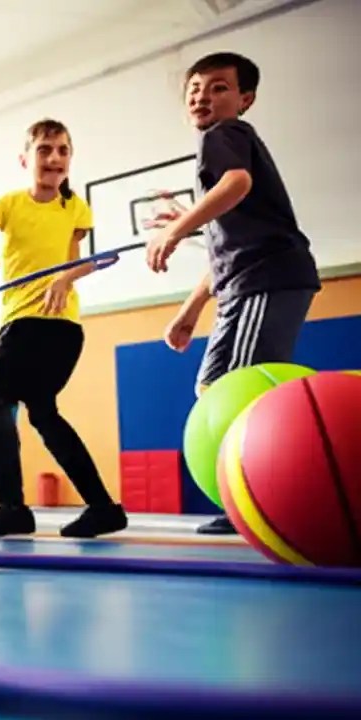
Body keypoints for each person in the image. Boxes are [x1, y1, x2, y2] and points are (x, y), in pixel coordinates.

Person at [144, 52, 319, 535]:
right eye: (195, 88)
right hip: (250, 281)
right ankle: (257, 495)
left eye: (219, 87)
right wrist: (191, 308)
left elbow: (237, 184)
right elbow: (225, 247)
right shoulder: (222, 154)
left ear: (245, 100)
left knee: (236, 391)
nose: (203, 95)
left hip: (266, 277)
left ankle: (257, 500)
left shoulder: (225, 137)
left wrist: (177, 229)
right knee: (215, 388)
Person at [0, 118, 127, 538]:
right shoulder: (10, 204)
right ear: (25, 158)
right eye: (45, 150)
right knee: (43, 413)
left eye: (63, 151)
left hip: (47, 324)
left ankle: (11, 506)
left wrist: (64, 278)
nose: (54, 158)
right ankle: (103, 507)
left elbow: (82, 259)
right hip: (30, 324)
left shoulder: (74, 207)